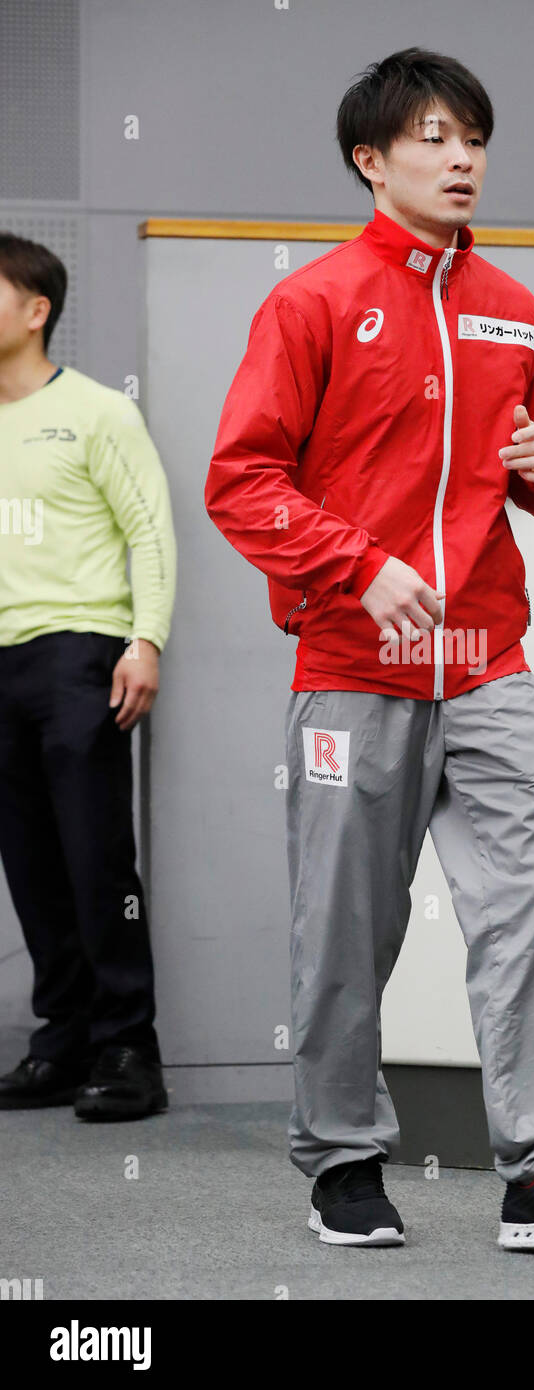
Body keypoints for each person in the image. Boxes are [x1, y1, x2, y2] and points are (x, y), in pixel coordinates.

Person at [205, 47, 534, 1254]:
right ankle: (345, 1162)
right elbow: (238, 482)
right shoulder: (307, 303)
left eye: (472, 137)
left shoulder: (516, 305)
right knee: (347, 927)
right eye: (431, 136)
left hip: (488, 662)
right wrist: (357, 563)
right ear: (371, 158)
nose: (459, 158)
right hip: (351, 669)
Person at [0, 233, 176, 1121]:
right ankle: (63, 1042)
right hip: (0, 663)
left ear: (37, 311)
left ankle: (128, 1049)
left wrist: (145, 641)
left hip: (82, 653)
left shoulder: (100, 412)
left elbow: (149, 531)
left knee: (95, 857)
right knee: (28, 864)